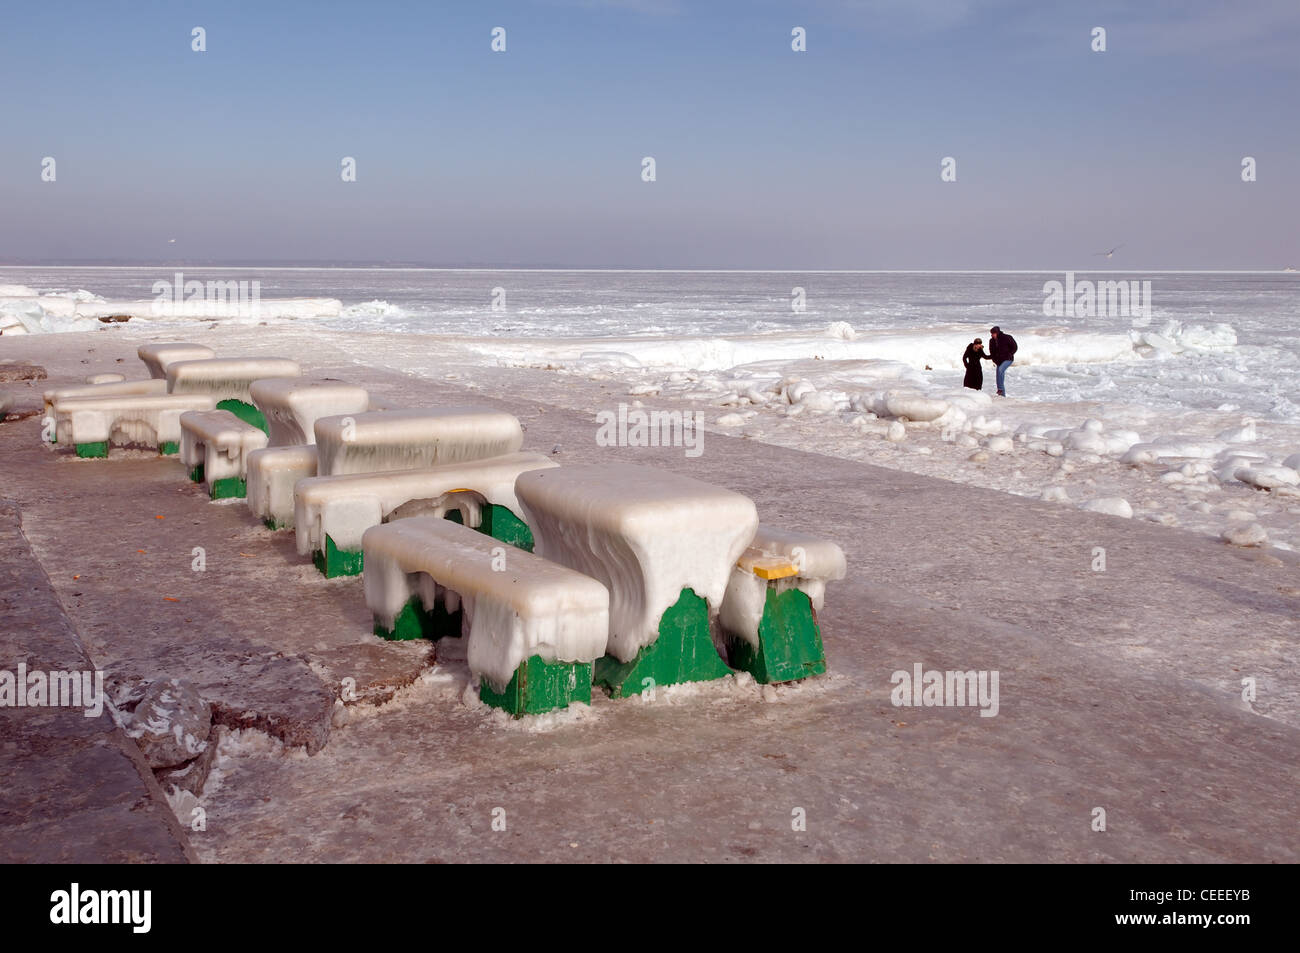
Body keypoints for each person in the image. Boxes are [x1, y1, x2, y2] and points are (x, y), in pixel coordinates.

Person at [988, 326, 1018, 396]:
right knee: (999, 375)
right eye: (991, 334)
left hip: (1008, 359)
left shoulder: (1007, 337)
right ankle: (1002, 396)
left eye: (993, 333)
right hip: (999, 361)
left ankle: (1000, 389)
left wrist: (1010, 354)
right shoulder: (991, 341)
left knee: (1000, 370)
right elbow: (992, 352)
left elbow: (1015, 347)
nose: (992, 335)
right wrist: (994, 359)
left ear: (997, 333)